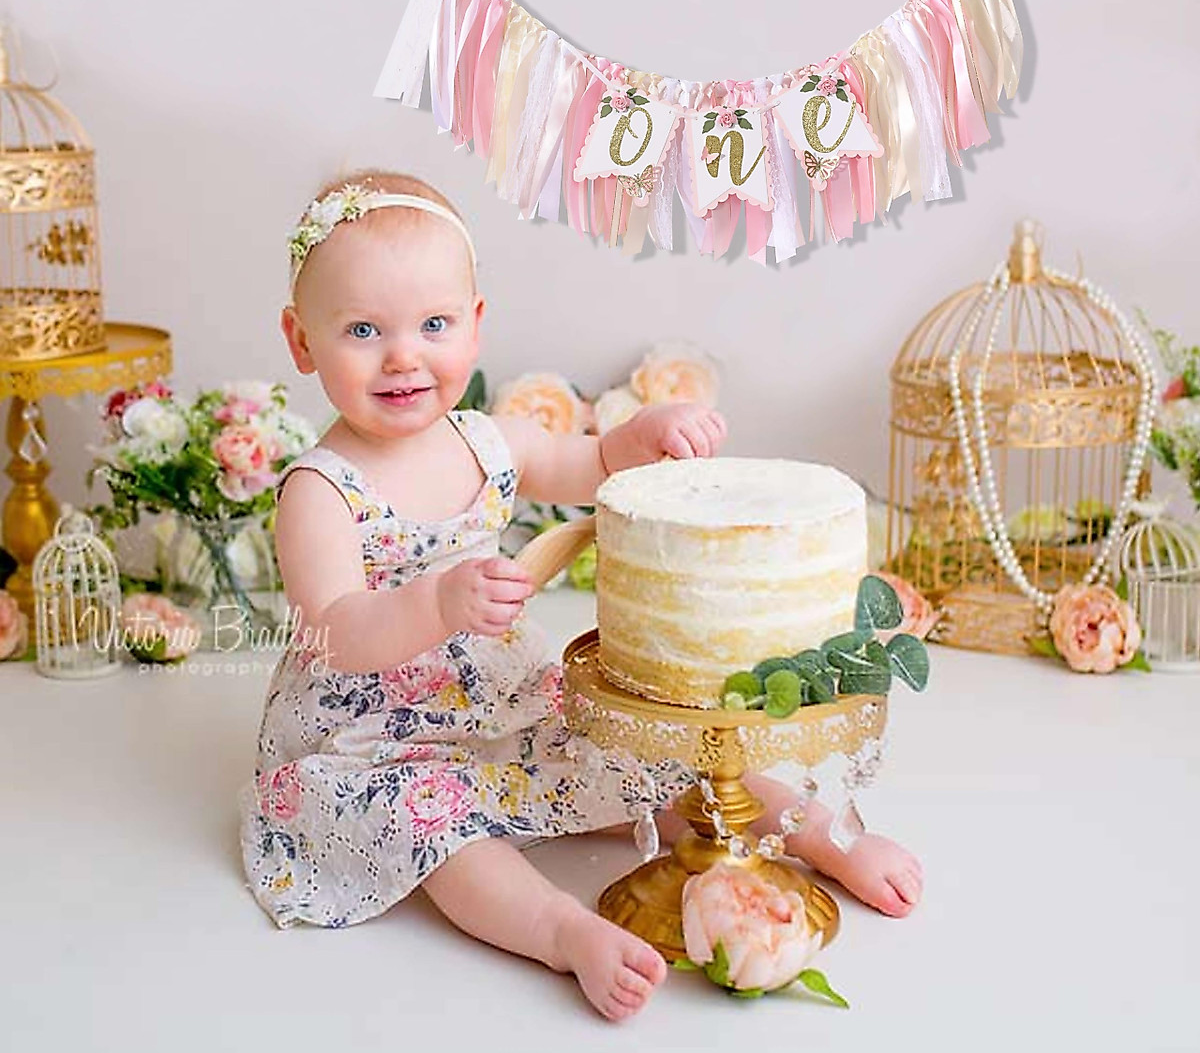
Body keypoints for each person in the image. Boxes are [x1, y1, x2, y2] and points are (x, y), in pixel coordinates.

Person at [239, 170, 922, 1022]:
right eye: (364, 330)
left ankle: (827, 839)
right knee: (438, 828)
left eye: (434, 324)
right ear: (302, 341)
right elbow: (334, 631)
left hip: (498, 693)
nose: (404, 356)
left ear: (476, 324)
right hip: (377, 729)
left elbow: (589, 465)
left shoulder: (484, 439)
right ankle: (562, 932)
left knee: (647, 755)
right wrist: (436, 606)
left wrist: (640, 436)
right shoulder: (320, 488)